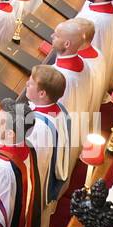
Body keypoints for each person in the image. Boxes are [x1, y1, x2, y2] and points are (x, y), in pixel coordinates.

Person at [25, 64, 73, 214]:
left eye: (31, 83)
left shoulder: (38, 125)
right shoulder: (61, 110)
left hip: (41, 182)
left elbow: (33, 162)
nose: (26, 83)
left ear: (42, 94)